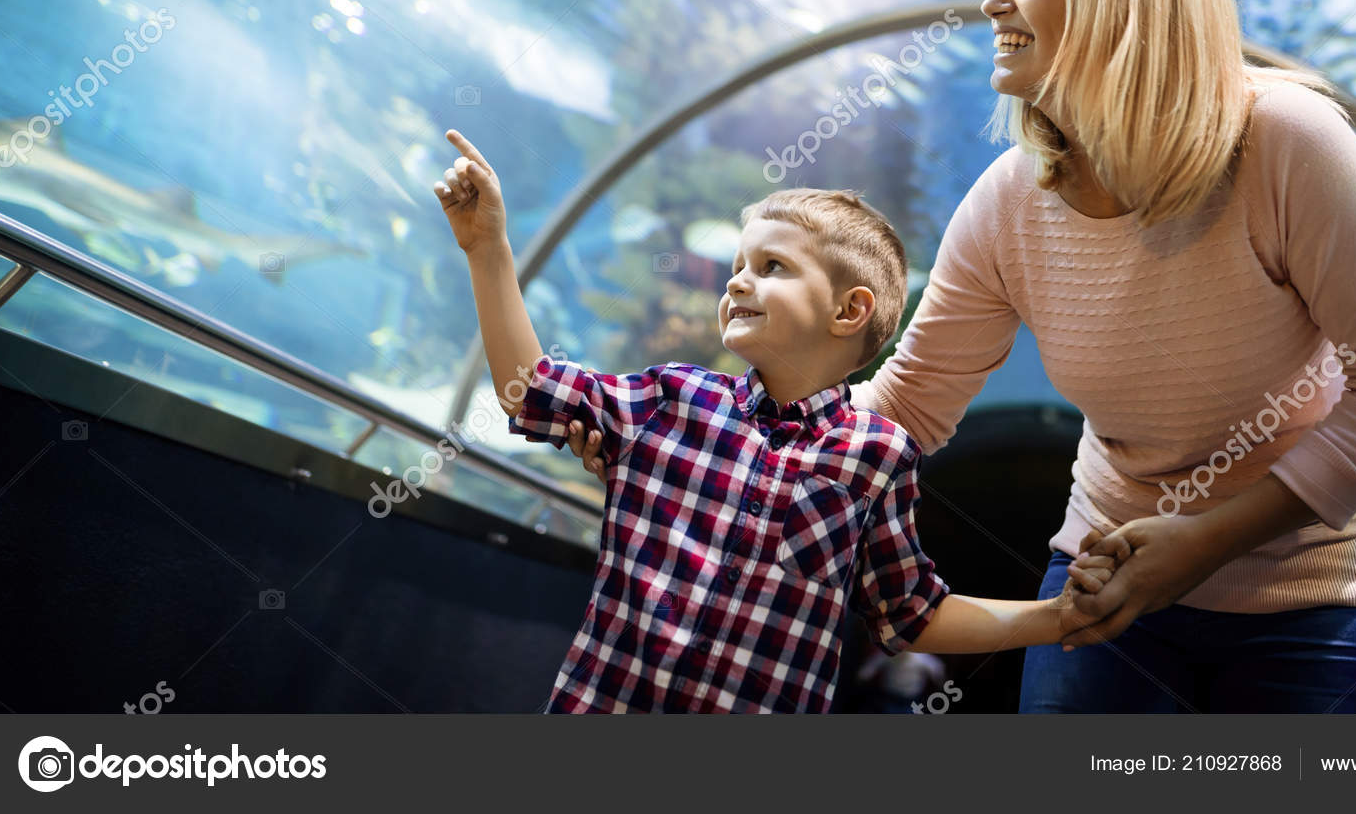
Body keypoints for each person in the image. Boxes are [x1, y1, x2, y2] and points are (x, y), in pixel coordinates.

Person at [561, 0, 1356, 714]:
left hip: (1328, 591)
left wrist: (1204, 540)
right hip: (1111, 586)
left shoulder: (1287, 141)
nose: (992, 3)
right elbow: (903, 405)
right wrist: (706, 458)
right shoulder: (1008, 200)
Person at [433, 131, 1127, 713]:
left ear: (849, 311)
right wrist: (488, 249)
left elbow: (910, 611)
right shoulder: (672, 397)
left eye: (770, 266)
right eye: (736, 266)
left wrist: (1055, 616)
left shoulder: (876, 453)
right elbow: (532, 393)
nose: (736, 280)